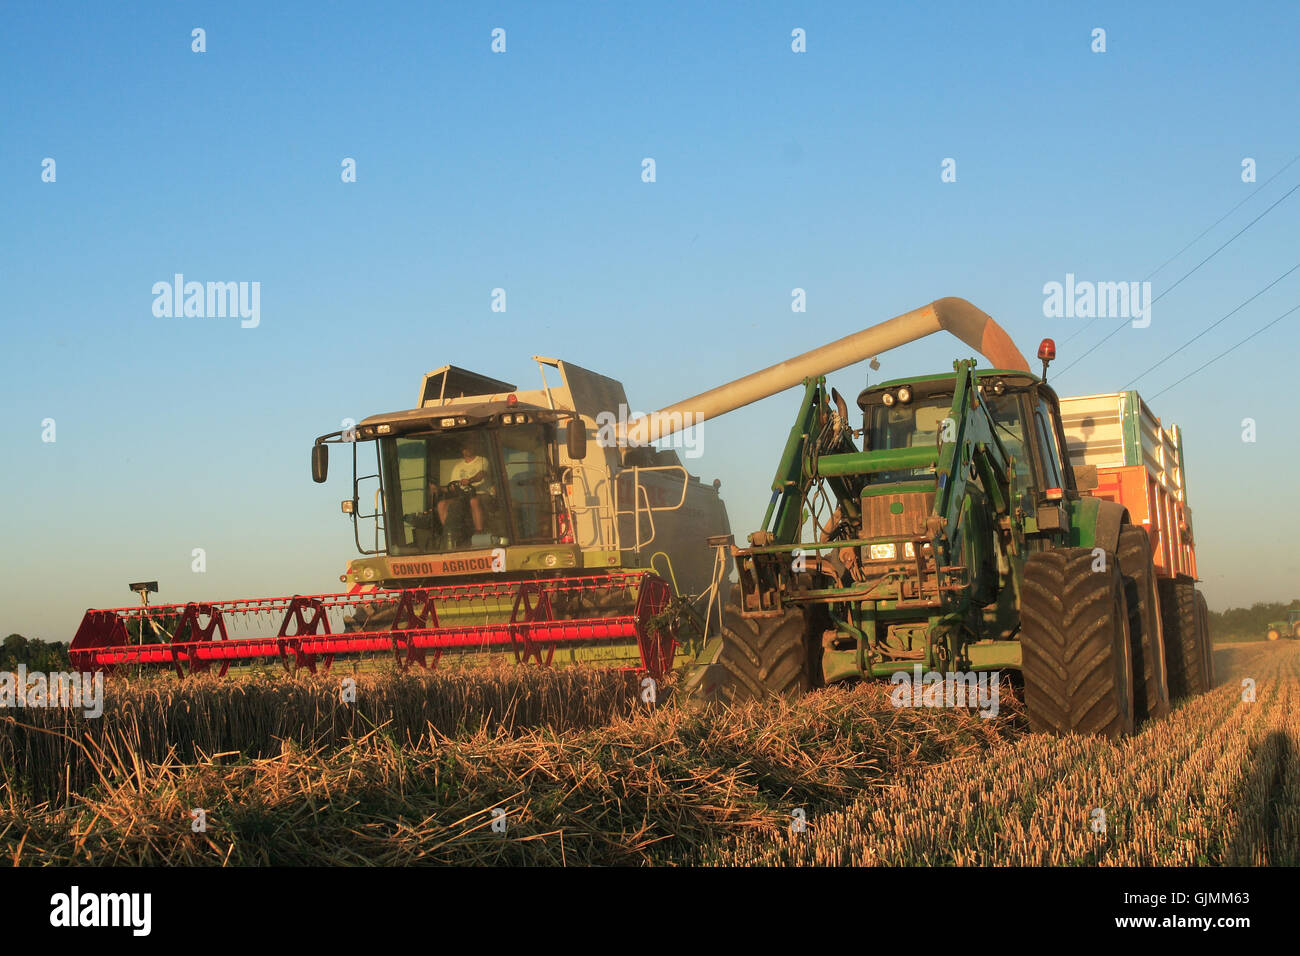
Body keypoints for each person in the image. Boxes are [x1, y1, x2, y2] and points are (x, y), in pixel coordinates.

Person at [438, 442, 491, 535]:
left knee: (473, 501)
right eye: (465, 448)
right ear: (462, 451)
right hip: (462, 496)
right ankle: (448, 534)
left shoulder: (482, 460)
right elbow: (452, 485)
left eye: (469, 447)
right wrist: (439, 489)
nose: (467, 450)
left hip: (481, 493)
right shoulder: (458, 466)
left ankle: (479, 532)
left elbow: (481, 475)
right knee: (441, 504)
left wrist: (470, 481)